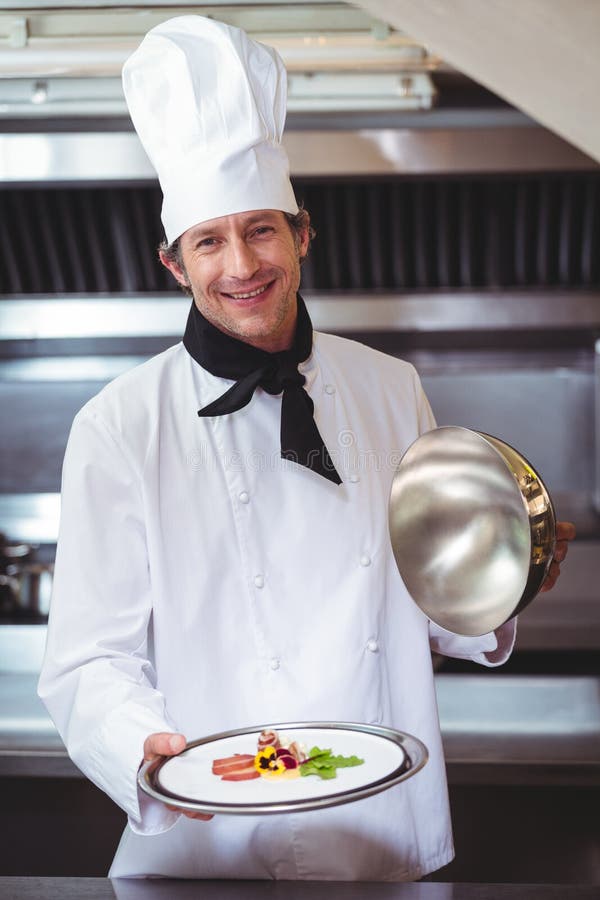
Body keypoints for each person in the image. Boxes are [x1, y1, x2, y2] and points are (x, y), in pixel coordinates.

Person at [38, 15, 575, 881]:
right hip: (203, 841)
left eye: (261, 229)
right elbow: (89, 661)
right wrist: (148, 749)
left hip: (380, 832)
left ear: (303, 234)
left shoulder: (389, 387)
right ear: (175, 265)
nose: (240, 263)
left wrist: (504, 575)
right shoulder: (119, 424)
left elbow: (427, 602)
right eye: (209, 241)